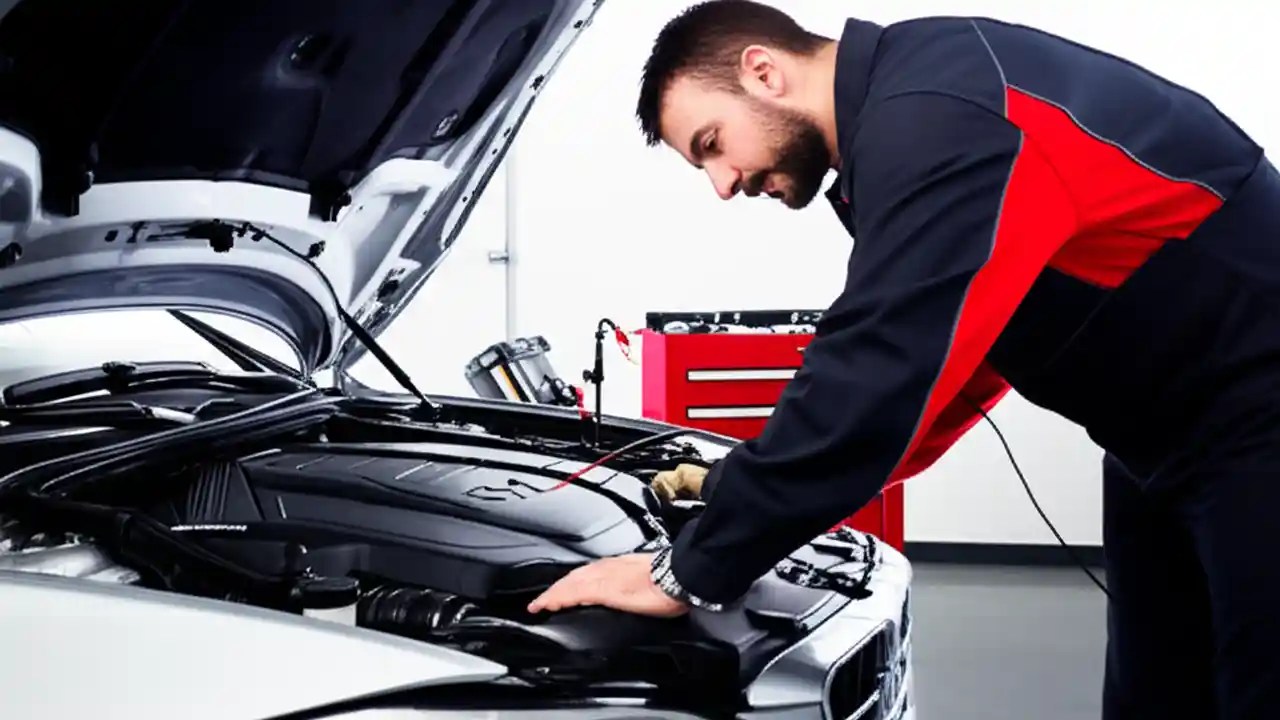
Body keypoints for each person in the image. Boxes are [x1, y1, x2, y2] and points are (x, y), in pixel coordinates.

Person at [528, 2, 1280, 717]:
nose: (723, 185)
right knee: (1161, 698)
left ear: (763, 72)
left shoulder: (940, 112)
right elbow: (944, 362)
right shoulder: (911, 110)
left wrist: (691, 569)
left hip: (1257, 414)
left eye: (711, 144)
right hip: (1164, 439)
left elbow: (879, 362)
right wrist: (744, 493)